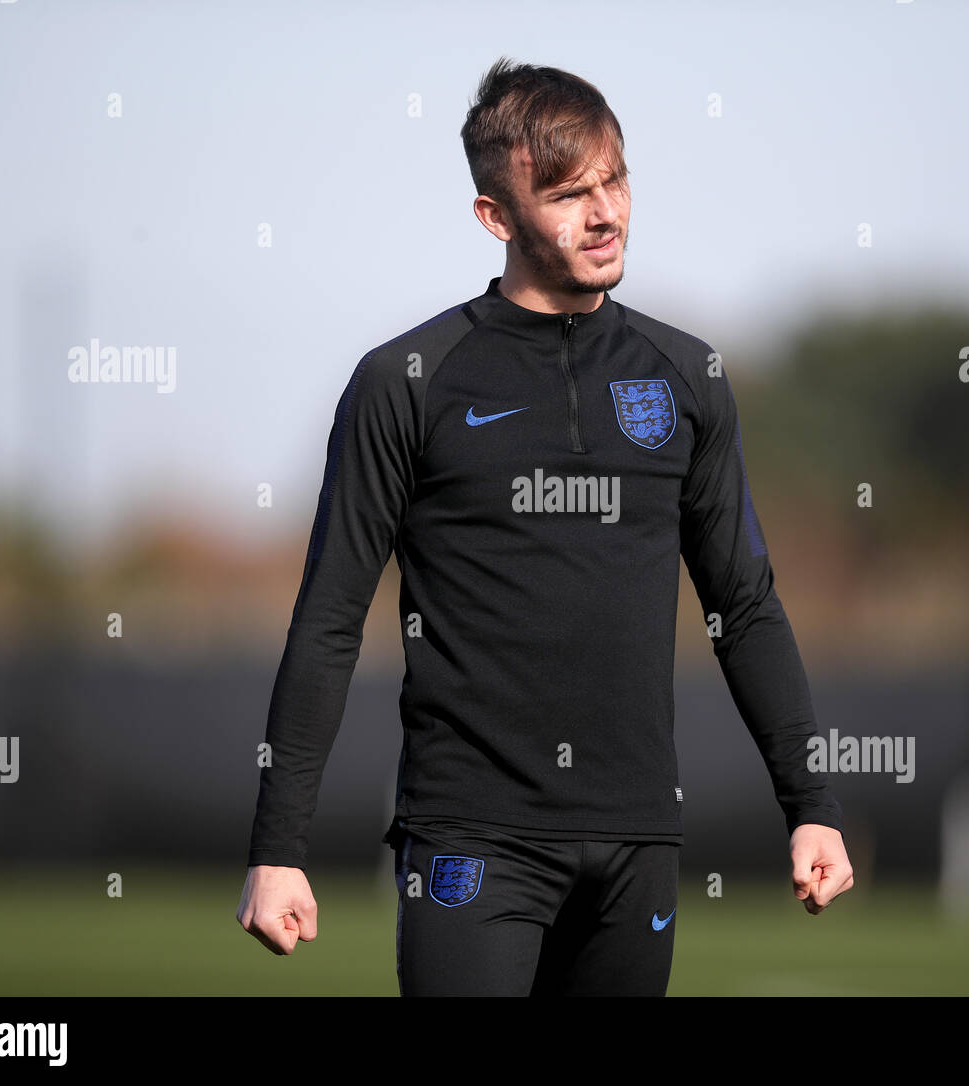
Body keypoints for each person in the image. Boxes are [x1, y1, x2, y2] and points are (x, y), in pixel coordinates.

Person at [237, 57, 854, 996]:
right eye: (568, 193)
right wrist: (278, 848)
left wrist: (811, 804)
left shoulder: (686, 375)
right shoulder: (406, 382)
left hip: (640, 842)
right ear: (496, 215)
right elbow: (328, 619)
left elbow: (746, 603)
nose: (605, 212)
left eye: (615, 180)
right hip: (471, 840)